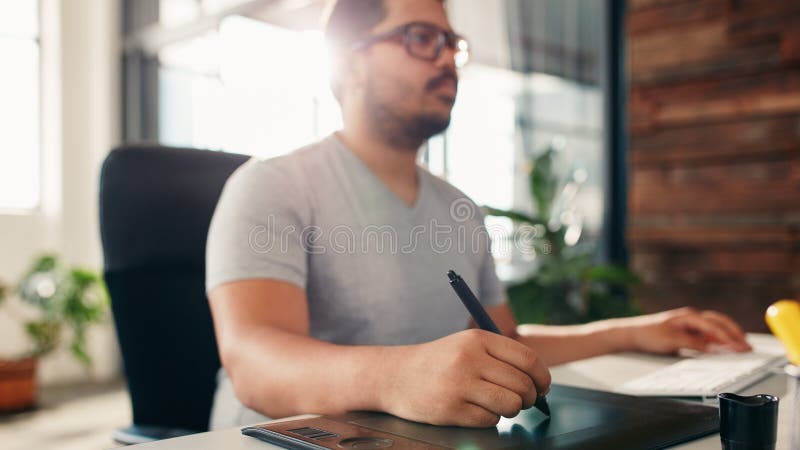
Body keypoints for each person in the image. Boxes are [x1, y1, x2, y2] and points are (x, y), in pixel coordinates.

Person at [205, 0, 751, 430]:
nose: (446, 58)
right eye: (422, 38)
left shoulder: (458, 208)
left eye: (452, 44)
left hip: (420, 435)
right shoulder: (271, 186)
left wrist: (635, 331)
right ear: (349, 59)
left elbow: (503, 341)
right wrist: (401, 376)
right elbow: (255, 362)